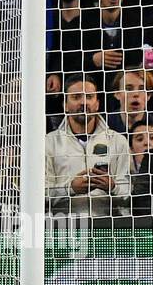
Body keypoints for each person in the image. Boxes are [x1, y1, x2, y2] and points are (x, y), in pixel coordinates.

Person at [45, 75, 132, 217]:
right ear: (65, 105)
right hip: (64, 228)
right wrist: (70, 188)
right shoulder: (49, 143)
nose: (84, 102)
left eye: (89, 97)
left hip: (108, 228)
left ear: (97, 104)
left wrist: (112, 186)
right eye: (76, 97)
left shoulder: (118, 141)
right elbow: (41, 193)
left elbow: (130, 192)